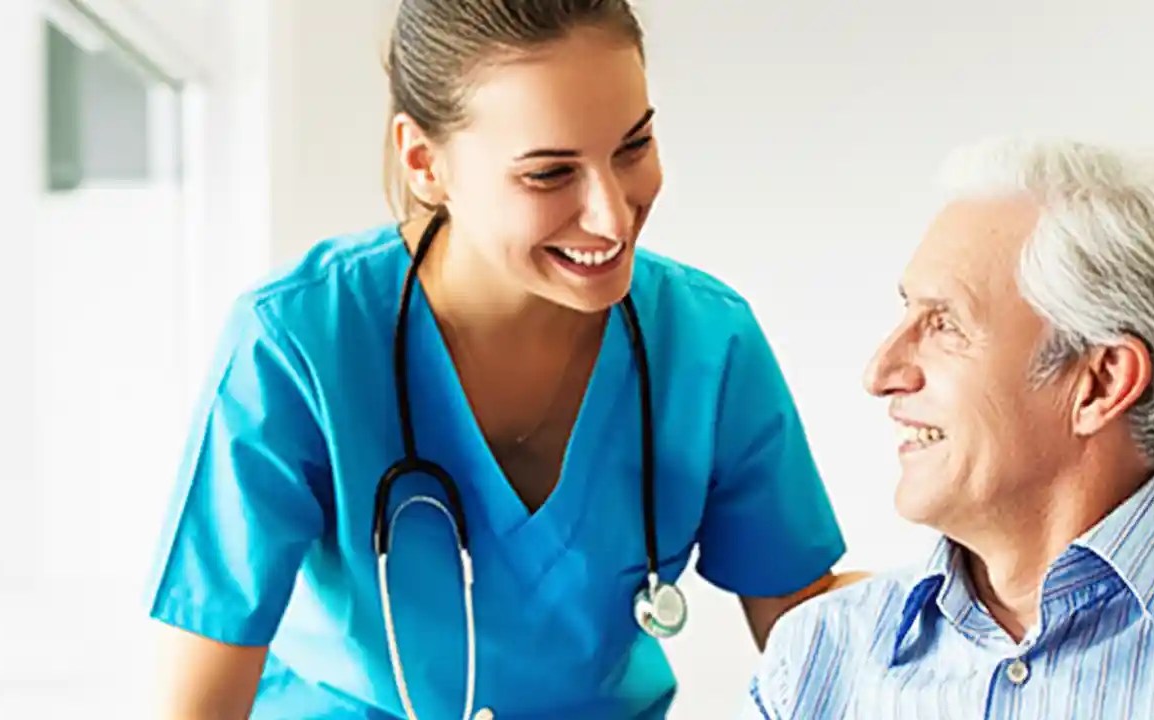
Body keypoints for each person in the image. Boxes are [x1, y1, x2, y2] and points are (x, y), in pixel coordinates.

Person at [146, 2, 859, 718]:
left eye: (633, 146)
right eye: (549, 174)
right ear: (425, 163)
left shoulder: (706, 342)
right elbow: (198, 704)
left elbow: (809, 634)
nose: (613, 216)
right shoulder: (296, 342)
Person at [740, 135, 1154, 720]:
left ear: (1101, 383)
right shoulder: (815, 658)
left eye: (945, 325)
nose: (880, 373)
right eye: (907, 311)